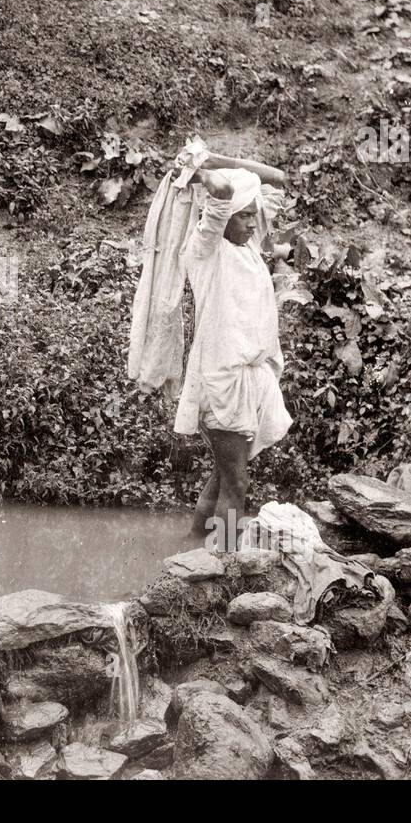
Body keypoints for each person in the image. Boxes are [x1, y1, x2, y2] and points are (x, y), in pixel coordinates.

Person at [174, 168, 291, 545]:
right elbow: (222, 190)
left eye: (253, 216)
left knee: (224, 475)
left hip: (248, 378)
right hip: (224, 380)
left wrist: (222, 159)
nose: (252, 224)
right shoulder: (207, 250)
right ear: (222, 217)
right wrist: (198, 166)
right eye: (243, 216)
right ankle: (224, 558)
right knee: (236, 481)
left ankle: (194, 544)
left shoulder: (249, 249)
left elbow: (279, 178)